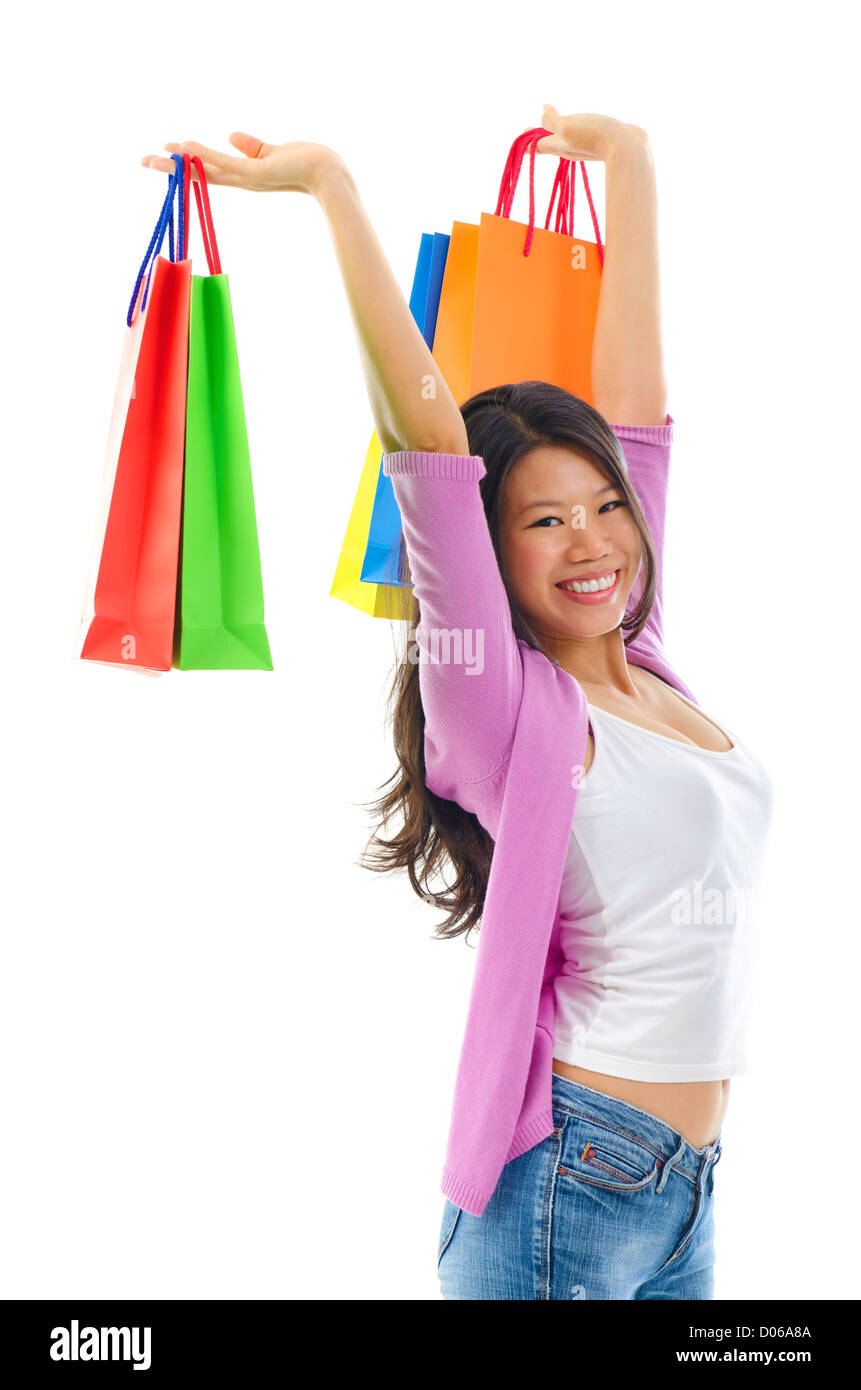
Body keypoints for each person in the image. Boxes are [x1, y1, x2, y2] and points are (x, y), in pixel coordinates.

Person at [142, 107, 773, 1300]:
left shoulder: (649, 658)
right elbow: (428, 437)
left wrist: (632, 168)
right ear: (488, 556)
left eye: (604, 505)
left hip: (688, 1193)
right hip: (564, 1192)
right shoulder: (501, 704)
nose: (590, 538)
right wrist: (332, 188)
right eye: (544, 520)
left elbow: (638, 407)